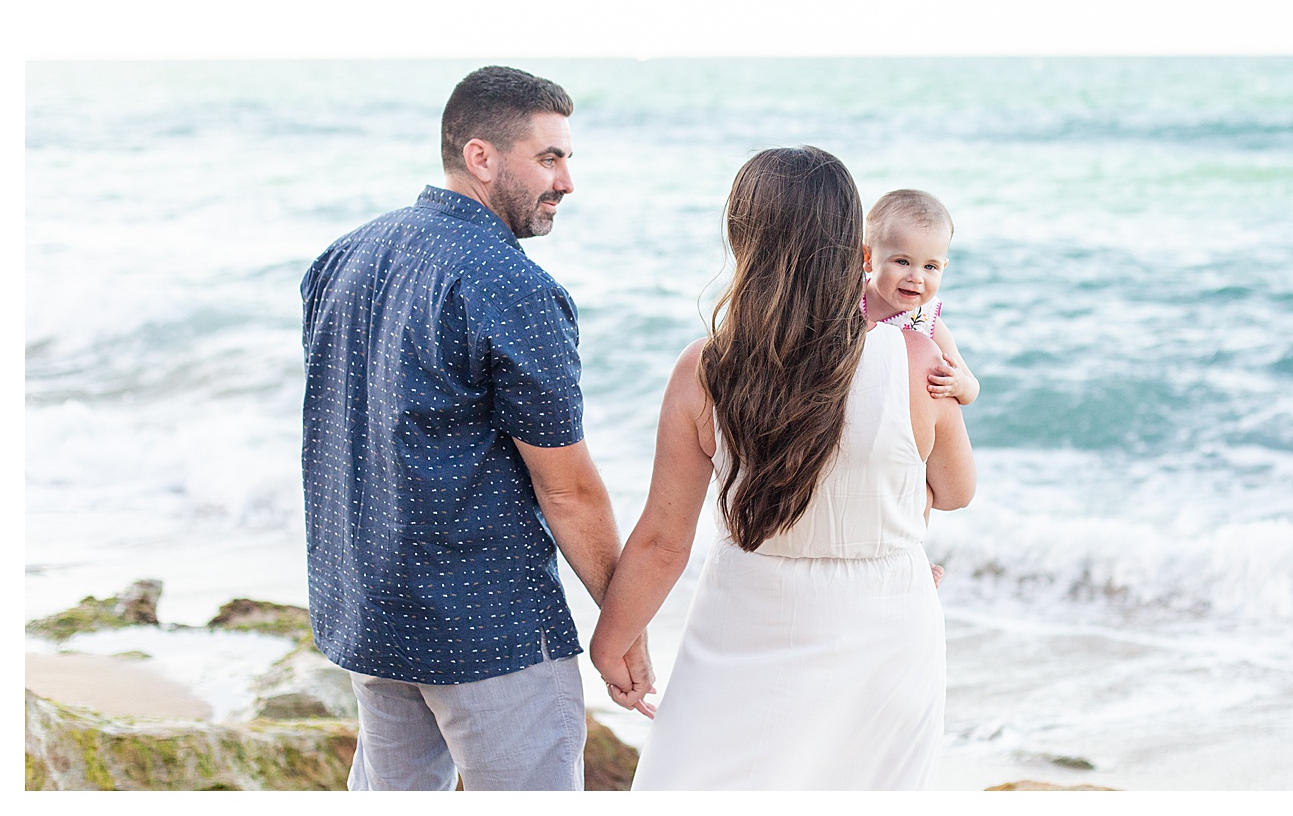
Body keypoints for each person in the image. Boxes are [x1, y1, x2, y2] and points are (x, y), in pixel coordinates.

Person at [299, 65, 651, 791]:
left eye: (567, 158)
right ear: (481, 157)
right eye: (548, 157)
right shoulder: (513, 286)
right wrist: (624, 624)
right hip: (488, 629)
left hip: (373, 612)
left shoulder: (342, 257)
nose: (566, 182)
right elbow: (571, 492)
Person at [588, 146, 976, 790]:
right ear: (856, 251)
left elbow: (662, 541)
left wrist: (614, 640)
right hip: (889, 623)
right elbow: (957, 491)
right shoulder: (917, 355)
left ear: (744, 240)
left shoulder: (705, 367)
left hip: (746, 622)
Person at [862, 188, 980, 406]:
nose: (916, 277)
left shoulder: (927, 321)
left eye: (930, 266)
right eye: (902, 262)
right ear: (868, 258)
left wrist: (958, 385)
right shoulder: (849, 302)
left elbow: (972, 387)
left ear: (943, 267)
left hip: (901, 417)